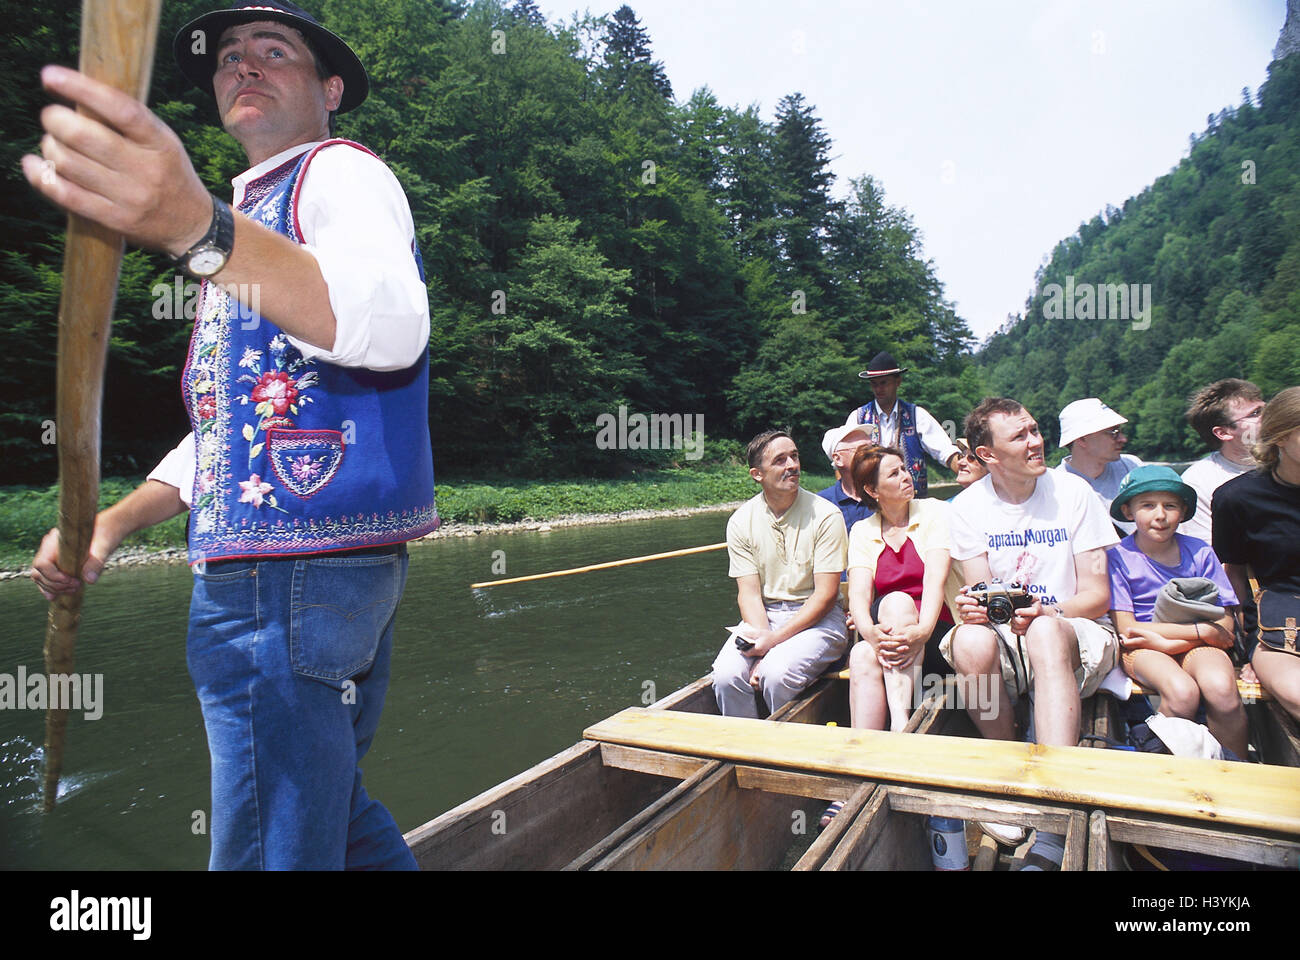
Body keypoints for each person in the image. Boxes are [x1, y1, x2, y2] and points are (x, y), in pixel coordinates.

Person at [27, 1, 437, 870]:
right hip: (313, 578)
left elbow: (394, 327)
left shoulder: (335, 175)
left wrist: (196, 229)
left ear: (329, 89)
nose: (243, 64)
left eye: (273, 52)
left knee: (265, 848)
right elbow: (228, 430)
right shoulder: (253, 227)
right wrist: (110, 523)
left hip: (282, 582)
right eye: (229, 58)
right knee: (328, 803)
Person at [943, 397, 1119, 870]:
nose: (1036, 442)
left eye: (1035, 430)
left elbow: (1098, 595)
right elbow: (982, 594)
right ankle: (1009, 768)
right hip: (1010, 633)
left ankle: (1055, 809)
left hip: (1075, 629)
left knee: (1043, 631)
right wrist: (974, 608)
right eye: (1019, 436)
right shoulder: (965, 508)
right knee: (968, 639)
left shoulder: (1074, 493)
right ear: (988, 456)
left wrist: (1047, 611)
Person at [1106, 466, 1247, 759]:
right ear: (1128, 511)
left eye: (1170, 506)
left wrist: (1173, 641)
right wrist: (1201, 631)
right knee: (1182, 693)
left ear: (1182, 512)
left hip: (1186, 642)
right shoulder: (1118, 558)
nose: (1160, 515)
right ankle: (1165, 771)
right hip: (1144, 648)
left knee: (1222, 692)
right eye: (1147, 505)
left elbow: (1225, 625)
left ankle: (1235, 770)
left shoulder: (1200, 552)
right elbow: (1129, 628)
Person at [713, 430, 849, 718]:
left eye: (795, 456)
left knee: (776, 675)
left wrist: (771, 645)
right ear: (757, 474)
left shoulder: (826, 515)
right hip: (765, 616)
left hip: (820, 619)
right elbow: (749, 594)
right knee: (725, 676)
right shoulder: (741, 521)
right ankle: (743, 751)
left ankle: (787, 753)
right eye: (780, 460)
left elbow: (825, 596)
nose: (792, 465)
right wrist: (763, 640)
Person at [845, 446, 957, 734]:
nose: (907, 476)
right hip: (891, 639)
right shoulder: (862, 530)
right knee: (860, 654)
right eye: (894, 473)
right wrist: (869, 633)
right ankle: (867, 750)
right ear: (872, 490)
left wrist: (922, 632)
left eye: (904, 469)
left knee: (897, 602)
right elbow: (858, 595)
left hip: (936, 632)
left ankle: (899, 724)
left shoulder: (935, 511)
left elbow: (935, 579)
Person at [1213, 386, 1300, 723]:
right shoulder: (1237, 499)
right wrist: (1246, 644)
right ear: (1279, 438)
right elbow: (1232, 574)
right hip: (1278, 628)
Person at [844, 351, 961, 497]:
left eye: (884, 383)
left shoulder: (917, 415)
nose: (879, 389)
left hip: (913, 501)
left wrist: (968, 475)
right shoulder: (857, 417)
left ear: (897, 382)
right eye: (874, 384)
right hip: (869, 503)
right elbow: (843, 461)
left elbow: (945, 451)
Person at [1179, 379, 1264, 545]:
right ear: (1223, 432)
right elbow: (1210, 555)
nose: (1270, 416)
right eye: (1255, 413)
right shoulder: (1198, 482)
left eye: (1265, 408)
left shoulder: (1291, 458)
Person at [1055, 398, 1142, 534]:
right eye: (1114, 433)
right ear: (1082, 439)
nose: (1123, 439)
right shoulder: (1056, 488)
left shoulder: (1132, 466)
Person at [817, 424, 875, 535]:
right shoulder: (822, 504)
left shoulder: (887, 496)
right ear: (838, 459)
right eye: (863, 450)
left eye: (873, 448)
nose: (872, 455)